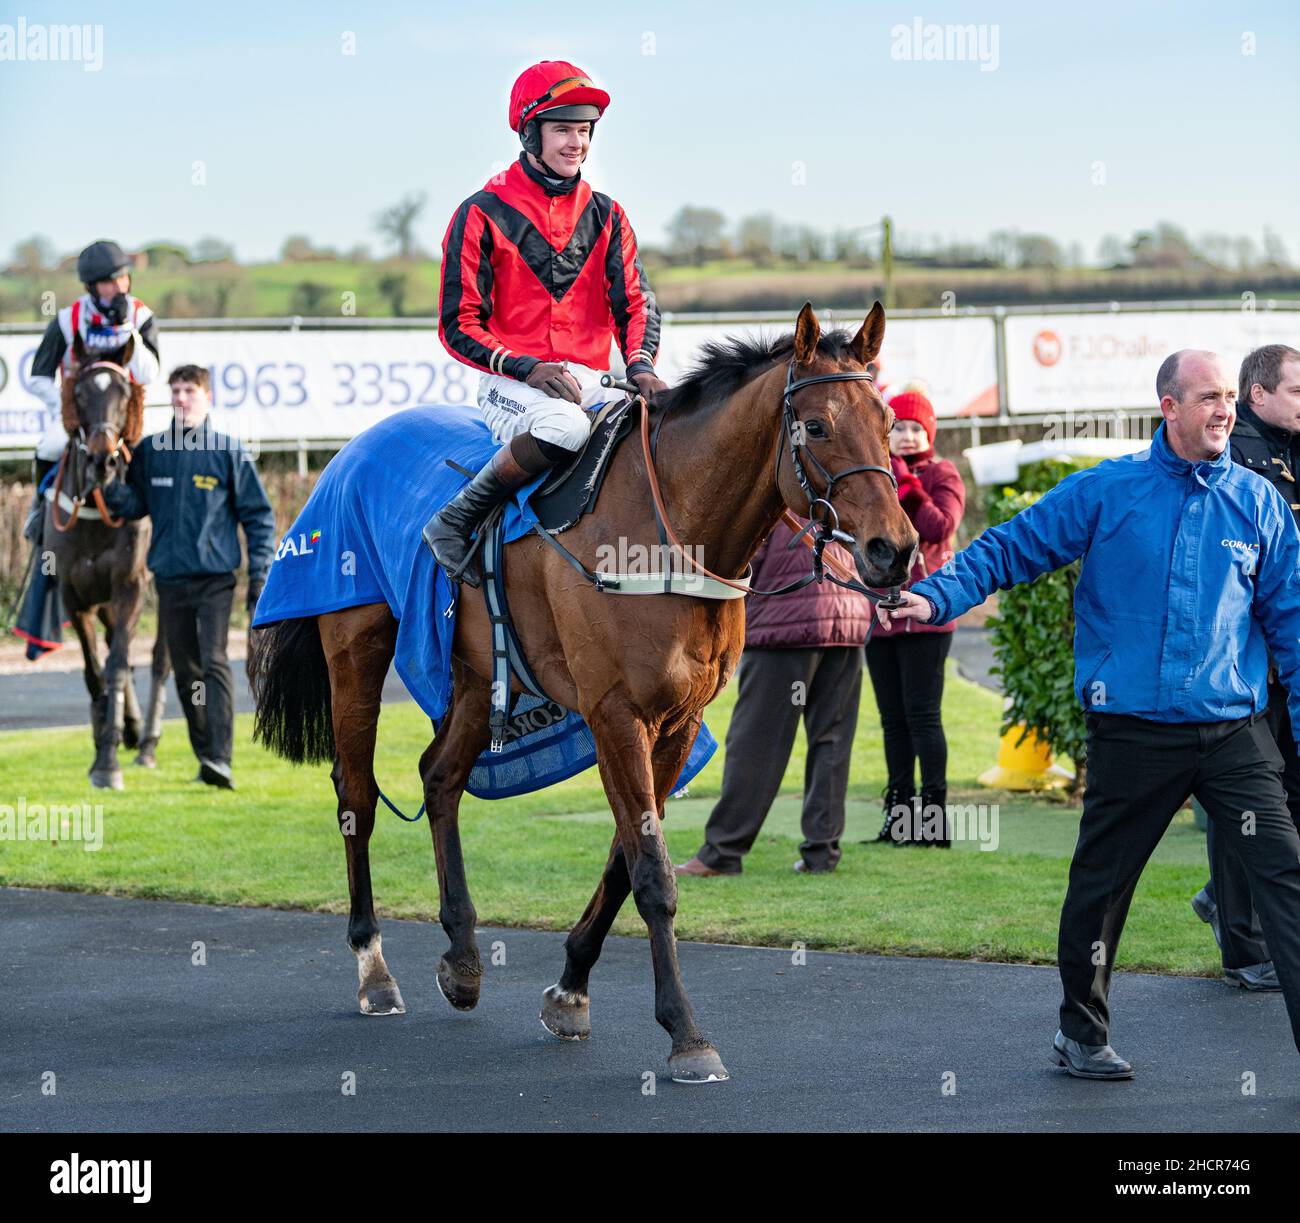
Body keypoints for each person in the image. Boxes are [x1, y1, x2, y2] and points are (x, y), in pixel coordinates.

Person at [879, 349, 1300, 1080]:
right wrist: (937, 596)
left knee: (1288, 877)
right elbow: (1013, 545)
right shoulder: (1109, 491)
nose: (1223, 410)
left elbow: (1291, 620)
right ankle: (1082, 1030)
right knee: (1102, 888)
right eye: (1207, 397)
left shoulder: (1258, 503)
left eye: (1229, 396)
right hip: (1134, 732)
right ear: (1168, 406)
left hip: (1235, 732)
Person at [423, 60, 666, 585]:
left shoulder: (608, 214)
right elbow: (456, 323)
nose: (576, 142)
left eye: (584, 131)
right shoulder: (480, 213)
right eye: (563, 129)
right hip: (511, 383)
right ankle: (456, 518)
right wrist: (526, 368)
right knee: (567, 425)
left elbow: (636, 302)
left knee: (664, 428)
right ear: (530, 132)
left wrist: (642, 365)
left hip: (592, 380)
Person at [101, 366, 276, 789]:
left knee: (214, 661)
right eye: (176, 390)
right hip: (169, 578)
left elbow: (259, 516)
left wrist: (260, 577)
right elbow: (133, 504)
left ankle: (222, 757)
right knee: (184, 671)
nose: (181, 398)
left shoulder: (228, 452)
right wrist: (105, 479)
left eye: (189, 391)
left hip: (215, 579)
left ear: (206, 397)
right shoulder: (152, 451)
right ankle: (206, 759)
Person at [674, 517, 872, 877]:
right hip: (847, 621)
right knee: (832, 741)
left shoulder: (777, 490)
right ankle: (821, 854)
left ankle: (722, 852)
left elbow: (739, 560)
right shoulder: (838, 489)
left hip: (787, 627)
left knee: (756, 743)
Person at [1191, 344, 1300, 990]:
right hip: (1251, 663)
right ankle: (1242, 943)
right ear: (1258, 394)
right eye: (1297, 390)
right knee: (1248, 800)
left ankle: (1218, 899)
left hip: (1288, 654)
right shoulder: (1237, 456)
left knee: (1281, 797)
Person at [15, 241, 161, 658]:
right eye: (111, 282)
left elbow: (150, 370)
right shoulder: (69, 319)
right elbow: (40, 374)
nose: (119, 286)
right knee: (50, 443)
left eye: (122, 279)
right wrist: (69, 412)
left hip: (123, 413)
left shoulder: (141, 314)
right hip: (81, 415)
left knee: (145, 454)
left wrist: (129, 327)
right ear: (93, 287)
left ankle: (151, 523)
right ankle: (40, 513)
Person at [865, 389, 966, 846]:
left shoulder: (943, 473)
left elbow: (939, 526)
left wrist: (907, 484)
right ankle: (898, 816)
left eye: (914, 428)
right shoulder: (874, 475)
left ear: (929, 432)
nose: (905, 436)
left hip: (928, 613)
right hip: (882, 612)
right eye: (898, 428)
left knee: (924, 716)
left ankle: (933, 820)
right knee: (892, 720)